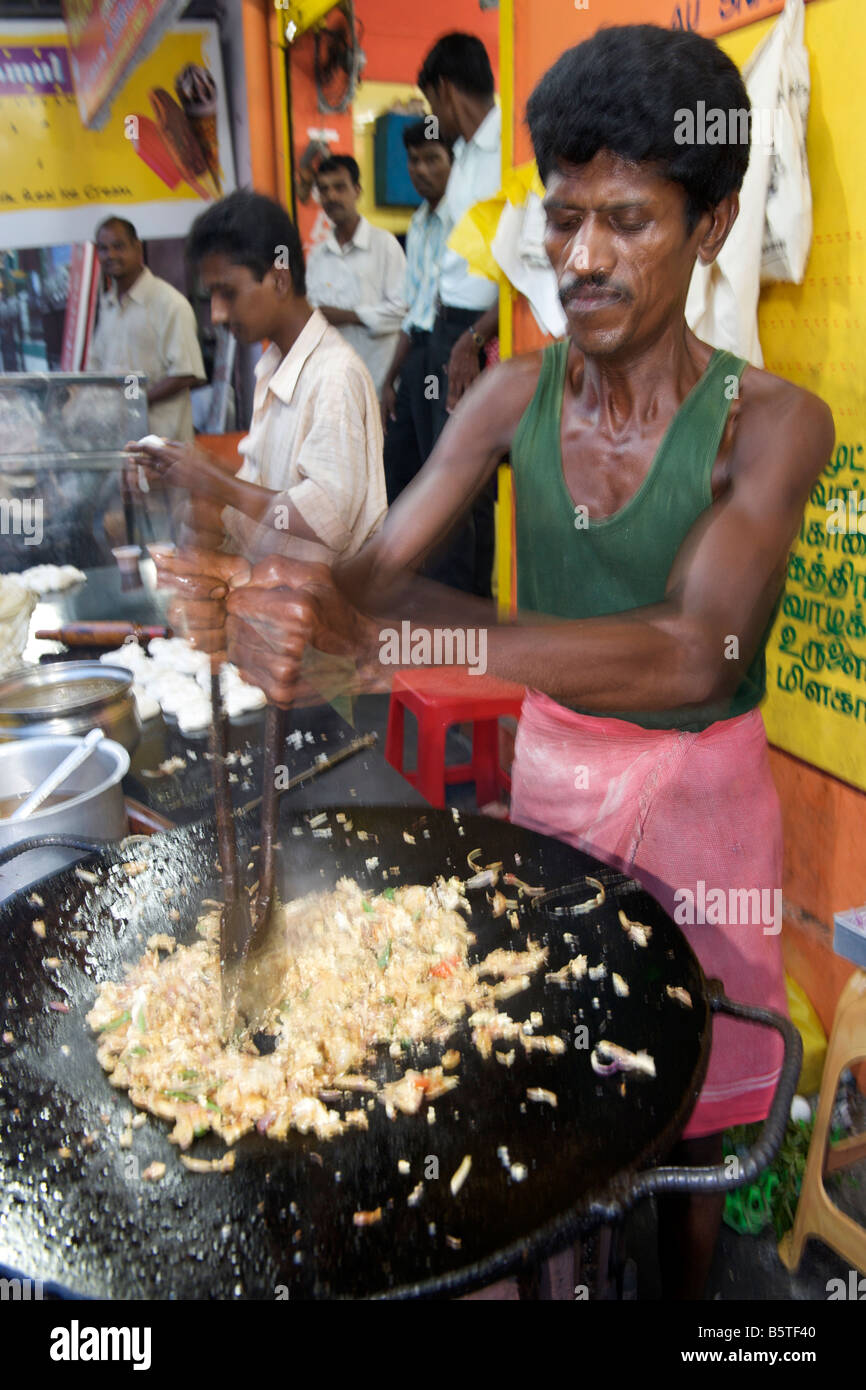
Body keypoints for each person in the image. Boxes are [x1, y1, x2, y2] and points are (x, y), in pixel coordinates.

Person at [216, 25, 834, 1296]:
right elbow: (373, 573)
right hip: (555, 788)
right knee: (546, 1066)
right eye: (562, 221)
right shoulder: (509, 398)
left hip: (702, 810)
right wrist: (261, 577)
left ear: (711, 227)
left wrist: (391, 642)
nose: (581, 260)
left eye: (627, 221)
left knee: (692, 1121)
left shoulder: (771, 425)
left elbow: (685, 653)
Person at [128, 189, 386, 571]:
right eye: (211, 295)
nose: (216, 314)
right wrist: (191, 470)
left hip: (325, 612)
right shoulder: (274, 367)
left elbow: (324, 520)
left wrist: (214, 481)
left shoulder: (334, 375)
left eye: (227, 293)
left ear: (279, 281)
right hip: (275, 595)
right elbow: (262, 494)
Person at [417, 32, 502, 596]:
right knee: (445, 479)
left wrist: (471, 339)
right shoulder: (468, 153)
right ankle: (459, 610)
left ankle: (460, 617)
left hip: (475, 334)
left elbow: (517, 271)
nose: (432, 117)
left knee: (459, 484)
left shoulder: (506, 153)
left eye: (430, 104)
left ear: (446, 90)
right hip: (446, 327)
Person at [381, 121, 453, 504]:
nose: (420, 169)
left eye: (432, 159)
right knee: (397, 462)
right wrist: (389, 379)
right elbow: (412, 311)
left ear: (453, 161)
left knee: (443, 469)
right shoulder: (419, 222)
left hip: (448, 354)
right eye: (413, 160)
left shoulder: (465, 218)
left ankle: (449, 566)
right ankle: (403, 560)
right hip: (416, 356)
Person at [88, 217, 205, 442]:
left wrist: (135, 402)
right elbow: (97, 368)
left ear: (137, 248)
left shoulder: (170, 303)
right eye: (103, 249)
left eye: (119, 246)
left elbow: (186, 373)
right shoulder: (108, 306)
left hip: (164, 450)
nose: (110, 255)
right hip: (119, 442)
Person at [304, 155, 407, 396]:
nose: (331, 197)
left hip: (378, 384)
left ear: (357, 191)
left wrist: (348, 316)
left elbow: (402, 312)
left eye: (339, 187)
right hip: (332, 386)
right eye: (324, 190)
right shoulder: (317, 256)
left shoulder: (385, 245)